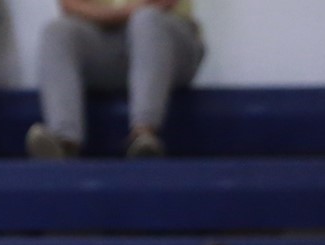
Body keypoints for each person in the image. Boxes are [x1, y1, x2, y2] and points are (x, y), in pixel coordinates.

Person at [26, 0, 205, 159]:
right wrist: (126, 12)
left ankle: (144, 134)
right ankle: (64, 140)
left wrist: (114, 13)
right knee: (57, 31)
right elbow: (71, 5)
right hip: (113, 39)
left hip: (171, 40)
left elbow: (161, 4)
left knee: (147, 19)